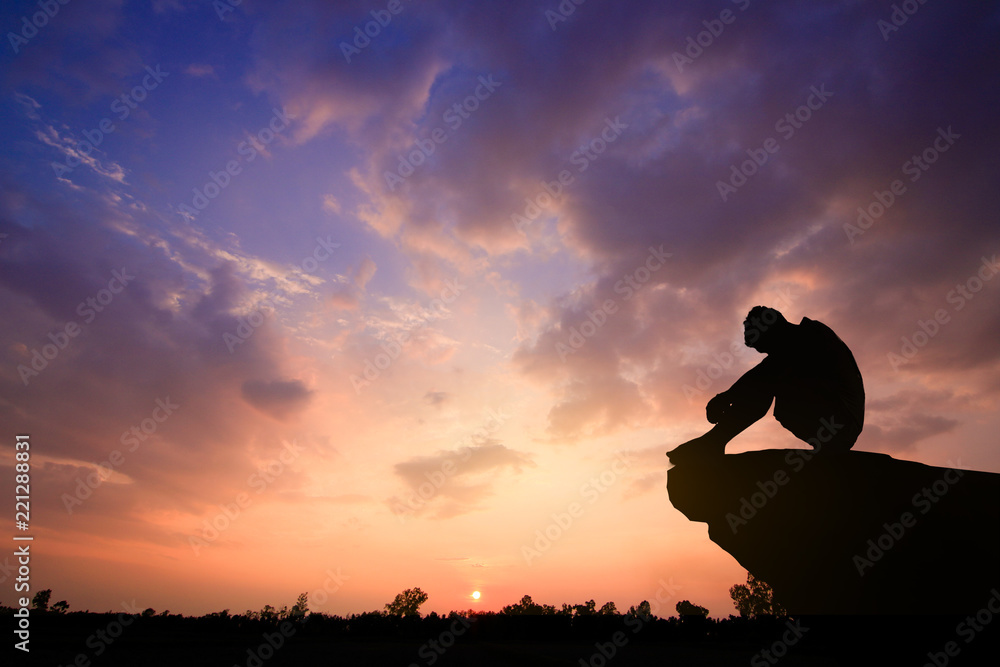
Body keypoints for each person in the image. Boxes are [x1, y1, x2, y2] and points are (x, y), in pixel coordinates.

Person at [667, 306, 864, 464]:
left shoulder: (811, 335)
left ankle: (713, 442)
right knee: (769, 380)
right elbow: (766, 369)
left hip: (840, 424)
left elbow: (766, 371)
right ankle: (714, 441)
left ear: (774, 331)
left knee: (769, 380)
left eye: (765, 347)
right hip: (834, 421)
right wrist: (726, 396)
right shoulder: (796, 344)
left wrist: (726, 397)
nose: (766, 354)